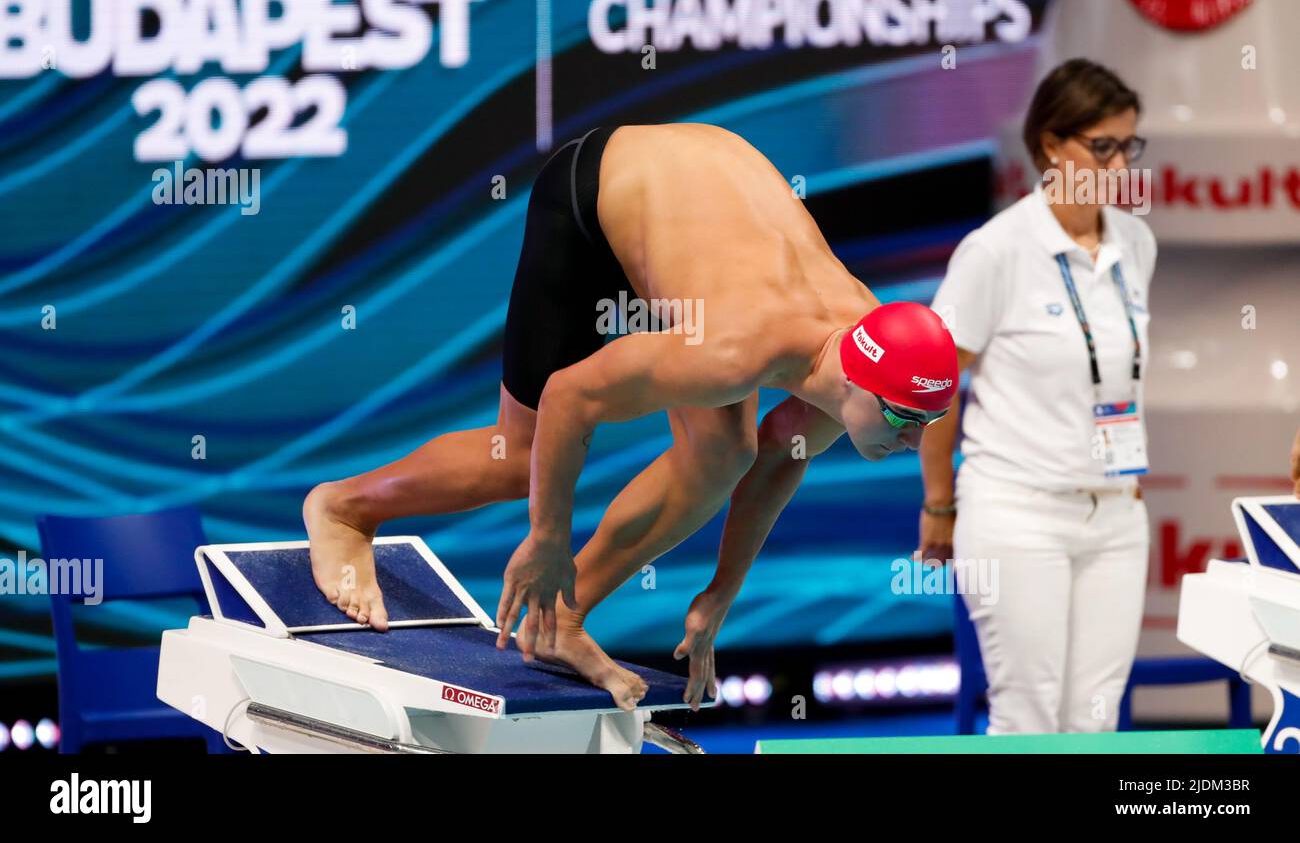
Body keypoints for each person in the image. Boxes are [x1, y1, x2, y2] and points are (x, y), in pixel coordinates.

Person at [303, 123, 957, 708]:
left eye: (928, 422)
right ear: (861, 388)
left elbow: (780, 455)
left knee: (727, 452)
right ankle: (344, 508)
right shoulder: (738, 347)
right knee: (522, 458)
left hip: (693, 202)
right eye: (906, 421)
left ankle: (559, 622)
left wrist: (720, 592)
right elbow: (571, 395)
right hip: (593, 200)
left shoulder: (863, 349)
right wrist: (548, 540)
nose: (914, 441)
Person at [919, 59, 1156, 734]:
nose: (1118, 165)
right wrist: (940, 505)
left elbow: (1121, 373)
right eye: (1101, 146)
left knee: (1095, 721)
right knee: (1028, 717)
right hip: (1016, 512)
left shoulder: (1137, 242)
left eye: (1128, 146)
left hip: (1115, 516)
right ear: (1052, 145)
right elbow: (938, 387)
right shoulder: (996, 250)